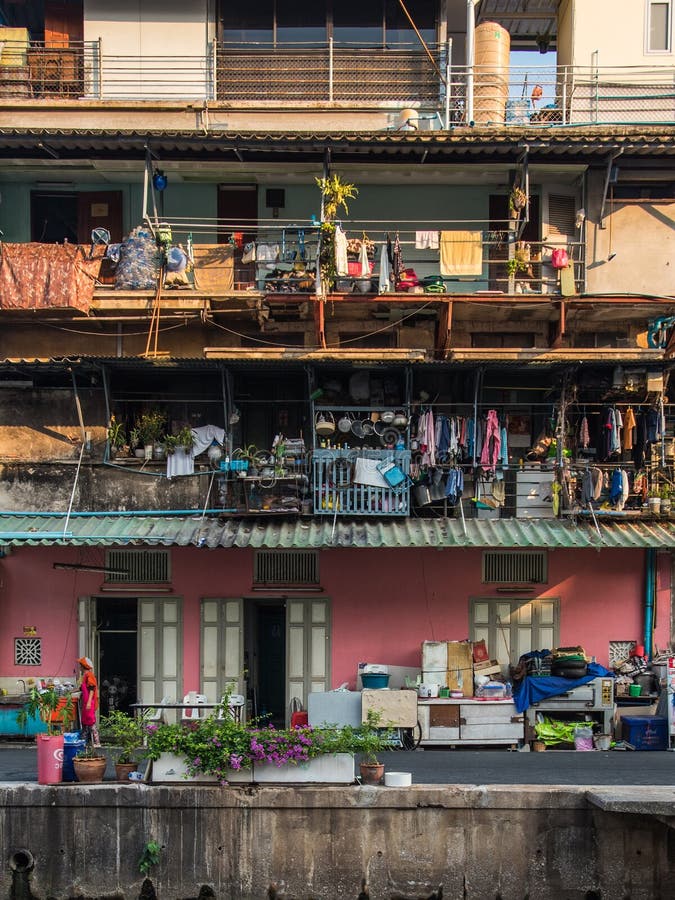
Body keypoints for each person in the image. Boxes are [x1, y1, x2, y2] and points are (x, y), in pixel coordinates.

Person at [77, 656, 100, 747]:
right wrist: (71, 691)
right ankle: (83, 742)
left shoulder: (89, 675)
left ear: (83, 666)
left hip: (89, 702)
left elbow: (91, 689)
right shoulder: (85, 676)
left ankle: (97, 742)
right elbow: (82, 688)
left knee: (90, 721)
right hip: (85, 702)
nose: (79, 667)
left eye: (80, 665)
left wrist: (89, 702)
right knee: (84, 722)